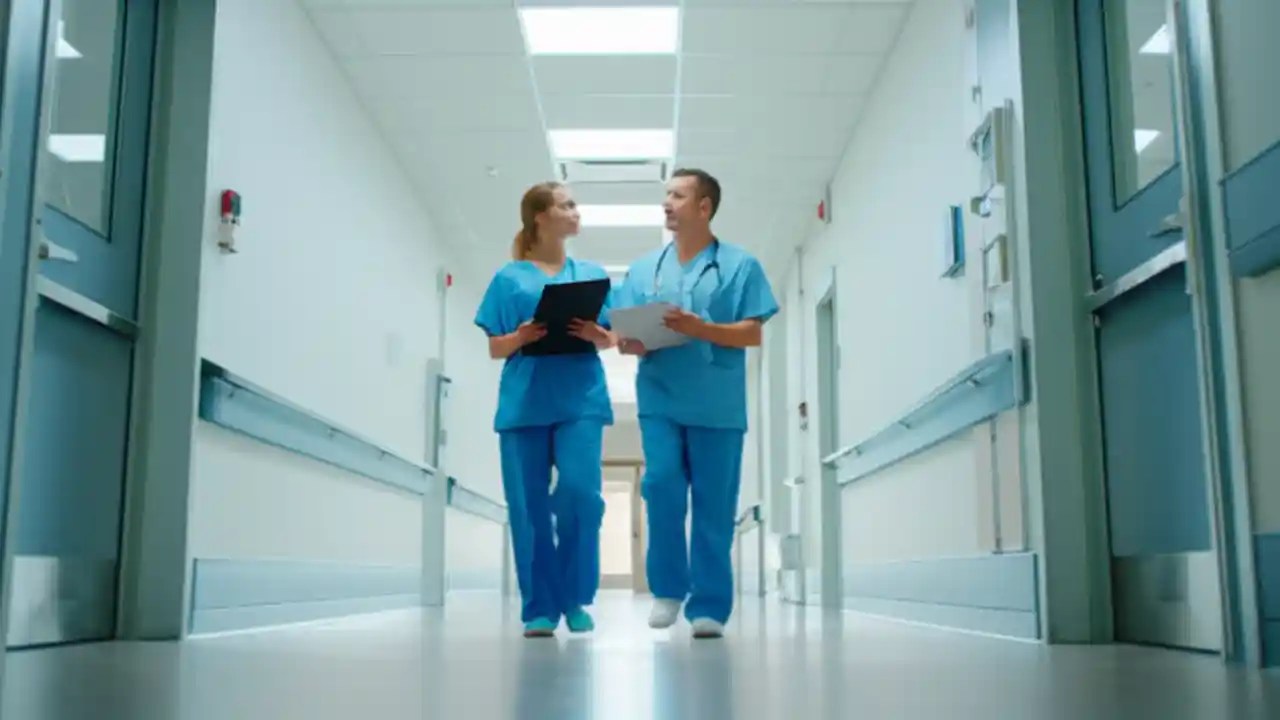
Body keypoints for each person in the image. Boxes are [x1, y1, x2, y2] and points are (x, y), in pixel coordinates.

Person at [614, 168, 779, 639]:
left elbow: (752, 332)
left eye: (678, 195)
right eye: (666, 194)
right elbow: (625, 331)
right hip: (660, 397)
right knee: (661, 485)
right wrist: (630, 343)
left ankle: (709, 605)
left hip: (717, 403)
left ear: (704, 207)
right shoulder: (644, 269)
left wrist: (699, 328)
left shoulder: (740, 265)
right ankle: (668, 589)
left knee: (713, 504)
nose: (667, 203)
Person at [474, 181, 616, 638]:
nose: (576, 212)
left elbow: (611, 337)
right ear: (540, 216)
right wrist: (520, 336)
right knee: (529, 505)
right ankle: (540, 606)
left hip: (581, 398)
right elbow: (495, 347)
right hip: (525, 401)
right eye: (566, 205)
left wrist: (599, 335)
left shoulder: (590, 274)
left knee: (580, 495)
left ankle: (573, 597)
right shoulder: (509, 279)